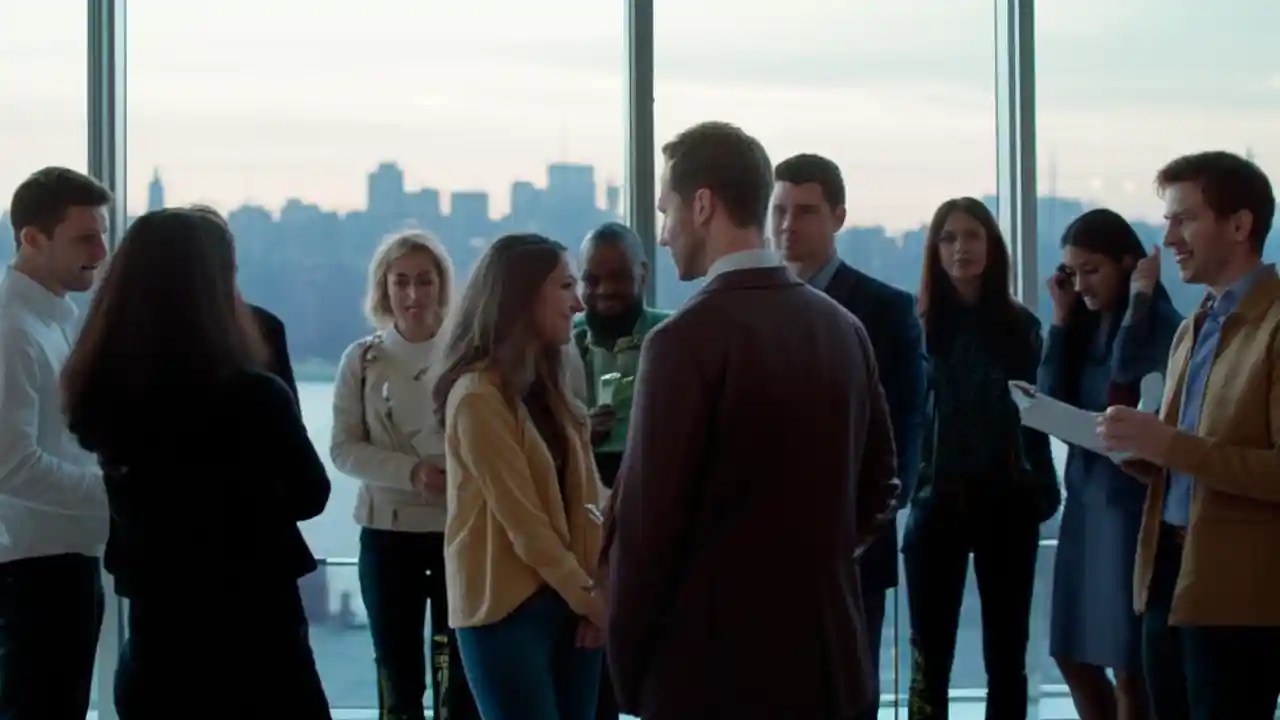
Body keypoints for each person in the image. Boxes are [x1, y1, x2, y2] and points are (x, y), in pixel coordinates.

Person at [604, 121, 900, 720]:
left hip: (713, 675)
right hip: (828, 667)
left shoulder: (682, 343)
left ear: (704, 205)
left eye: (667, 211)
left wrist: (628, 672)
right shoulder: (843, 329)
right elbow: (880, 487)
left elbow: (647, 532)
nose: (663, 235)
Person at [61, 208, 332, 718]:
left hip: (156, 634)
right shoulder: (254, 394)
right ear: (216, 281)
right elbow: (310, 495)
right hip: (256, 637)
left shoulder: (100, 388)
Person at [1098, 151, 1280, 720]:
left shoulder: (1276, 324)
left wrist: (1167, 445)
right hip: (1166, 582)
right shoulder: (1193, 326)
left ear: (1239, 225)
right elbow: (1191, 456)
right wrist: (1144, 457)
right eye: (1168, 220)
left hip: (1241, 600)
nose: (1169, 236)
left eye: (1183, 219)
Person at [771, 153, 927, 714]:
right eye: (780, 210)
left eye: (806, 211)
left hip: (852, 539)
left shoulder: (885, 309)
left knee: (849, 689)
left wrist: (875, 519)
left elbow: (908, 422)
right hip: (767, 542)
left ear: (837, 217)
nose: (789, 225)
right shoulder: (752, 306)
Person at [432, 233, 605, 720]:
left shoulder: (553, 383)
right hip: (507, 612)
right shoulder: (476, 397)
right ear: (522, 295)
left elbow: (589, 498)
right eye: (566, 286)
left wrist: (594, 591)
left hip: (571, 604)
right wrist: (595, 601)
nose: (578, 303)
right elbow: (525, 525)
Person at [904, 197, 1059, 720]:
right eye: (948, 237)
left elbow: (1038, 416)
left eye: (972, 236)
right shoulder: (917, 327)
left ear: (992, 247)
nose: (961, 248)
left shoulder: (1022, 328)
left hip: (1007, 502)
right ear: (935, 250)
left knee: (1006, 658)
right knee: (930, 658)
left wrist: (1043, 489)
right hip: (936, 503)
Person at [1040, 209, 1182, 720]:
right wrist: (1059, 320)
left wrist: (1140, 305)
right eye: (1071, 273)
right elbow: (1052, 398)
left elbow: (1125, 389)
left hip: (1130, 510)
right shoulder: (1083, 325)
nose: (1079, 285)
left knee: (1128, 664)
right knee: (1070, 652)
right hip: (1085, 503)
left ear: (1129, 264)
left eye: (1091, 270)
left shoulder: (1162, 327)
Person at [331, 230, 476, 720]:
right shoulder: (362, 361)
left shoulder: (469, 357)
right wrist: (412, 473)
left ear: (442, 285)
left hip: (461, 533)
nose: (413, 295)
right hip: (388, 536)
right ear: (384, 289)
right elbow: (344, 449)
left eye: (424, 281)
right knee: (398, 678)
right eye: (401, 282)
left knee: (462, 681)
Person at [0, 167, 111, 719]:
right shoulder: (12, 329)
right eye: (85, 237)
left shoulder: (50, 319)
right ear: (32, 238)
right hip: (30, 577)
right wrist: (120, 495)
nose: (101, 249)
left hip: (60, 565)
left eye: (102, 233)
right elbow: (11, 465)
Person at [572, 222, 670, 491]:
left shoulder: (672, 336)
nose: (605, 290)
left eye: (619, 277)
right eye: (592, 280)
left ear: (643, 274)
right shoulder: (564, 343)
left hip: (656, 482)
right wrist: (578, 434)